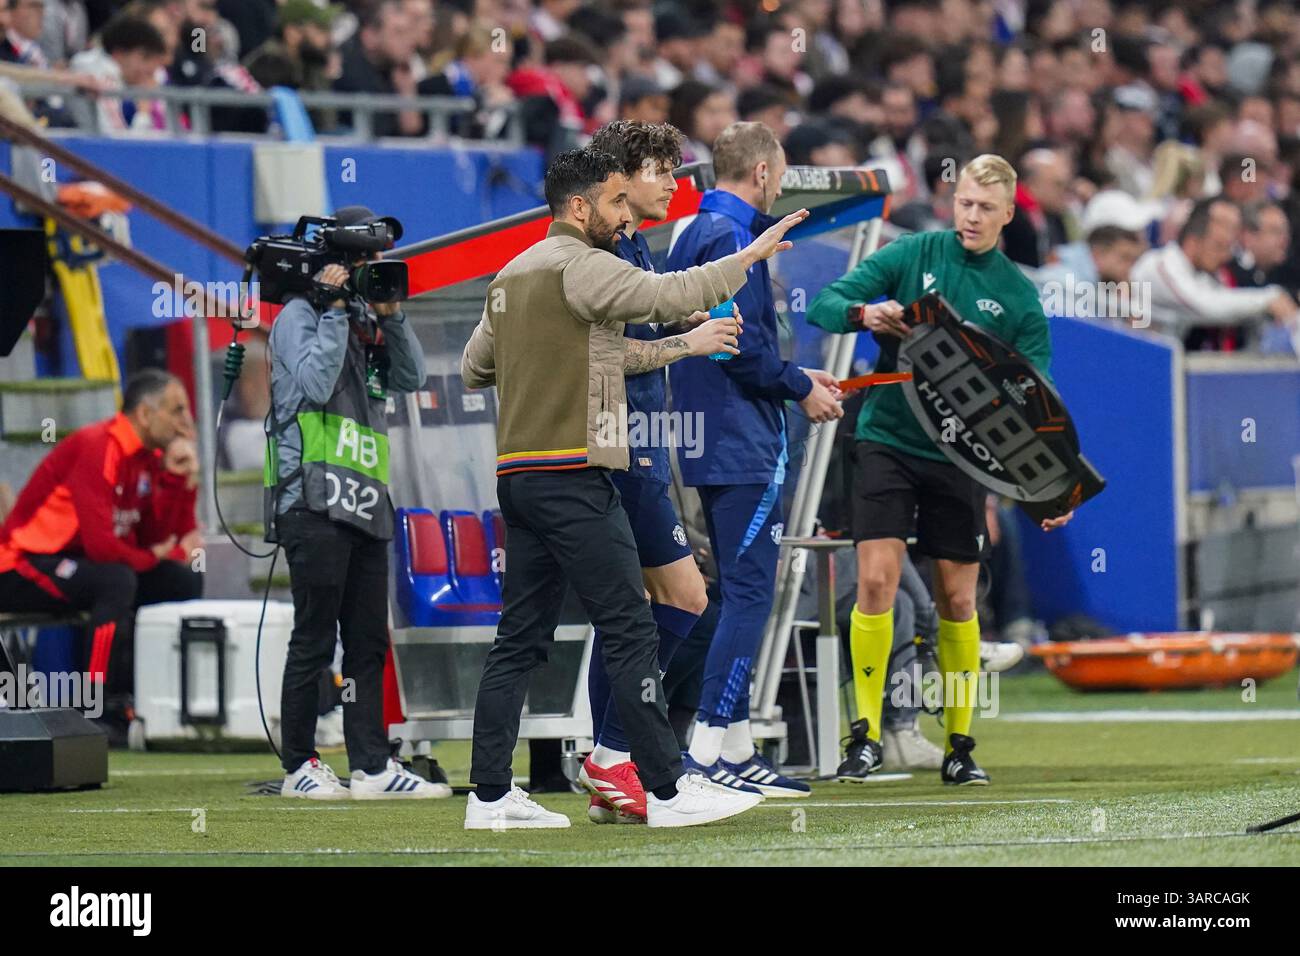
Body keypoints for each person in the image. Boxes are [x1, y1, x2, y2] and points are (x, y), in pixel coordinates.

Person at [459, 146, 807, 829]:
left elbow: (477, 367)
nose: (625, 215)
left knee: (519, 640)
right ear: (580, 207)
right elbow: (671, 296)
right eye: (616, 203)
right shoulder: (586, 266)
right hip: (577, 473)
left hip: (517, 476)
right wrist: (748, 256)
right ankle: (668, 789)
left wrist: (569, 363)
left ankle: (489, 796)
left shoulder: (511, 273)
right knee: (628, 631)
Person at [807, 153, 1073, 786]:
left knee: (957, 598)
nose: (972, 216)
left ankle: (960, 743)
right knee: (876, 582)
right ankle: (866, 737)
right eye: (964, 203)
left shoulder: (1017, 296)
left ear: (1010, 213)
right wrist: (865, 314)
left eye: (986, 207)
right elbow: (826, 301)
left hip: (961, 457)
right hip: (887, 440)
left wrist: (1054, 483)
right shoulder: (915, 253)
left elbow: (1038, 397)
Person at [665, 121, 843, 796]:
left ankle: (734, 749)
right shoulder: (738, 237)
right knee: (748, 593)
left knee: (737, 589)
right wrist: (802, 387)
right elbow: (736, 345)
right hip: (742, 437)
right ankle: (707, 747)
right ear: (764, 173)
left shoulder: (687, 230)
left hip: (702, 435)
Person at [578, 119, 747, 823]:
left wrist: (681, 322)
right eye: (663, 171)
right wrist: (689, 339)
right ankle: (615, 757)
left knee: (634, 611)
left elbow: (630, 328)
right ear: (624, 176)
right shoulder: (604, 242)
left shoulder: (634, 242)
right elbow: (602, 350)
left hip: (635, 436)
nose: (675, 184)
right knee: (683, 598)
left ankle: (612, 765)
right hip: (618, 441)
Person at [265, 205, 444, 801]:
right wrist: (335, 308)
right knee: (314, 638)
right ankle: (299, 766)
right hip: (311, 502)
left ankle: (370, 765)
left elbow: (413, 379)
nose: (371, 273)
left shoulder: (368, 318)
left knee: (367, 642)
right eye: (362, 264)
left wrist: (391, 318)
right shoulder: (296, 316)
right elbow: (315, 385)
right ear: (335, 265)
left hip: (366, 500)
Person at [0, 369, 202, 723]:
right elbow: (103, 549)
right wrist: (156, 554)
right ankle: (93, 708)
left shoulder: (148, 460)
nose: (186, 421)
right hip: (20, 565)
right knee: (116, 579)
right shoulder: (100, 446)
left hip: (78, 565)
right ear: (145, 414)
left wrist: (180, 482)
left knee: (182, 581)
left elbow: (160, 538)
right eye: (177, 410)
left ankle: (151, 701)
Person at [1130, 196, 1298, 349]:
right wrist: (1269, 298)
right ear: (1193, 242)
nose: (1226, 256)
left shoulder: (1206, 275)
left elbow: (1228, 306)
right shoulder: (1158, 265)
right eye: (1218, 246)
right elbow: (1203, 306)